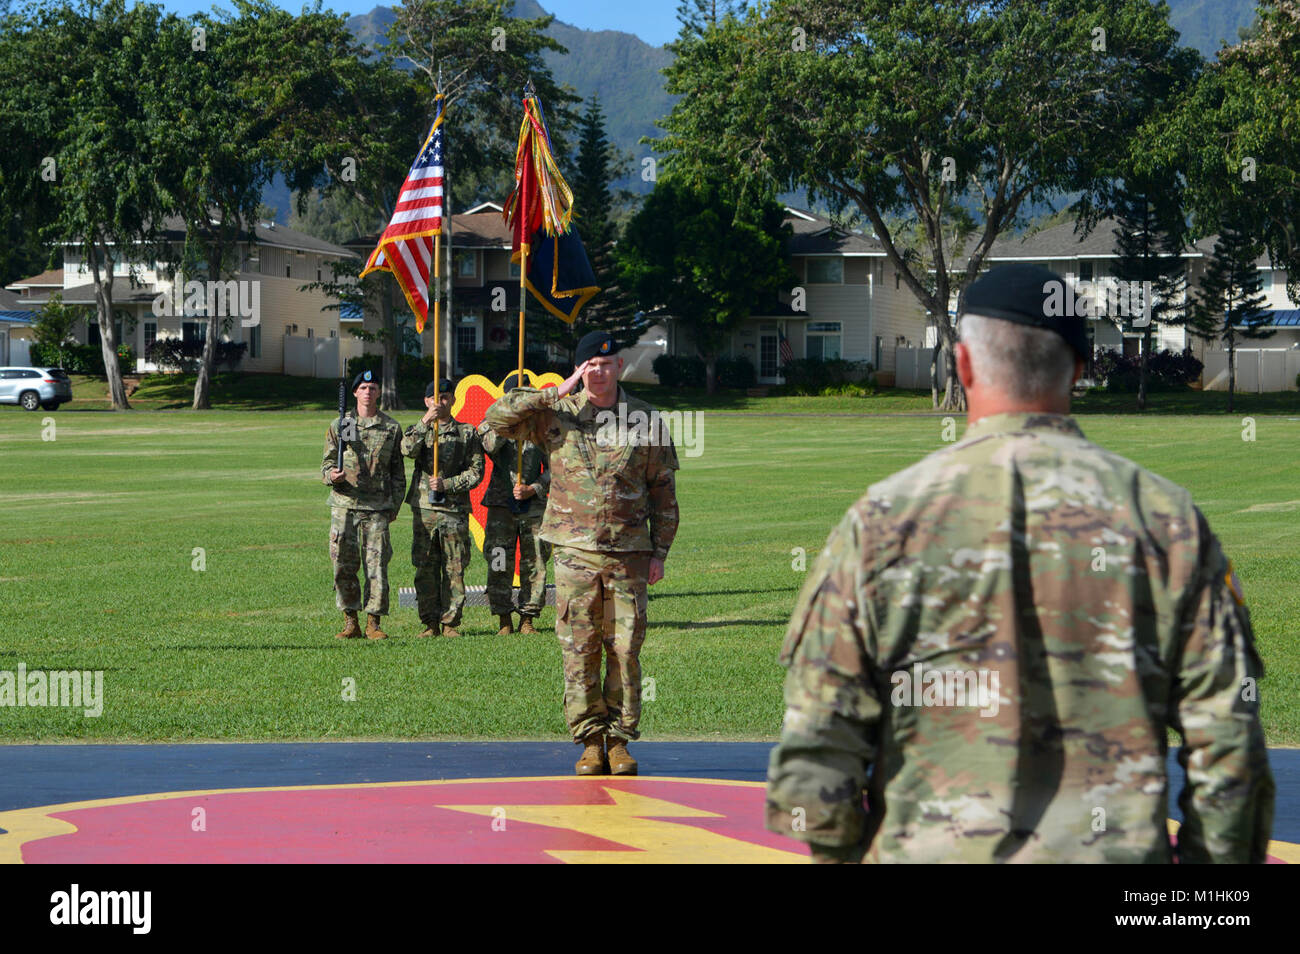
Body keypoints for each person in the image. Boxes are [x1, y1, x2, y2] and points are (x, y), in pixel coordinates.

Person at [766, 263, 1274, 863]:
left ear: (963, 364)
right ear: (1080, 371)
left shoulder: (882, 522)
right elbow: (1229, 751)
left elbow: (819, 751)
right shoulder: (1166, 522)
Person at [484, 332, 679, 776]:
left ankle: (620, 739)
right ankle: (591, 740)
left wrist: (660, 552)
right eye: (590, 364)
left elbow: (663, 493)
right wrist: (558, 388)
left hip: (630, 553)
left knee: (626, 649)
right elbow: (497, 418)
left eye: (607, 363)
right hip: (575, 553)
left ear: (620, 367)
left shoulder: (645, 420)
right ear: (580, 369)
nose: (599, 371)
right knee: (580, 647)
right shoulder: (554, 416)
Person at [322, 369, 406, 640]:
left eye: (373, 387)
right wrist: (330, 476)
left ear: (379, 392)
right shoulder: (341, 425)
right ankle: (350, 621)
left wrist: (394, 506)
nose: (368, 392)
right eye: (363, 388)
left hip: (377, 506)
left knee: (376, 565)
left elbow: (398, 473)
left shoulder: (391, 428)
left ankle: (374, 622)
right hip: (345, 504)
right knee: (343, 564)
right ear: (355, 392)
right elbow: (325, 463)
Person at [402, 378, 484, 638]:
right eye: (435, 397)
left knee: (455, 566)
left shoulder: (467, 432)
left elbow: (476, 472)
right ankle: (429, 623)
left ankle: (450, 622)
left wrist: (447, 484)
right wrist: (426, 421)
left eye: (446, 396)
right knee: (425, 566)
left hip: (454, 509)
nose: (441, 401)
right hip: (425, 509)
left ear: (454, 400)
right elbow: (407, 449)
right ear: (426, 401)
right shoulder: (419, 429)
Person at [477, 374, 552, 636]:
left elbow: (555, 467)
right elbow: (490, 446)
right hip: (501, 505)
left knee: (535, 560)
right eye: (515, 397)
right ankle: (503, 617)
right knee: (499, 559)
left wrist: (535, 488)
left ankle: (528, 617)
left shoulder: (541, 426)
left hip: (532, 505)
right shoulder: (489, 422)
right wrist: (507, 420)